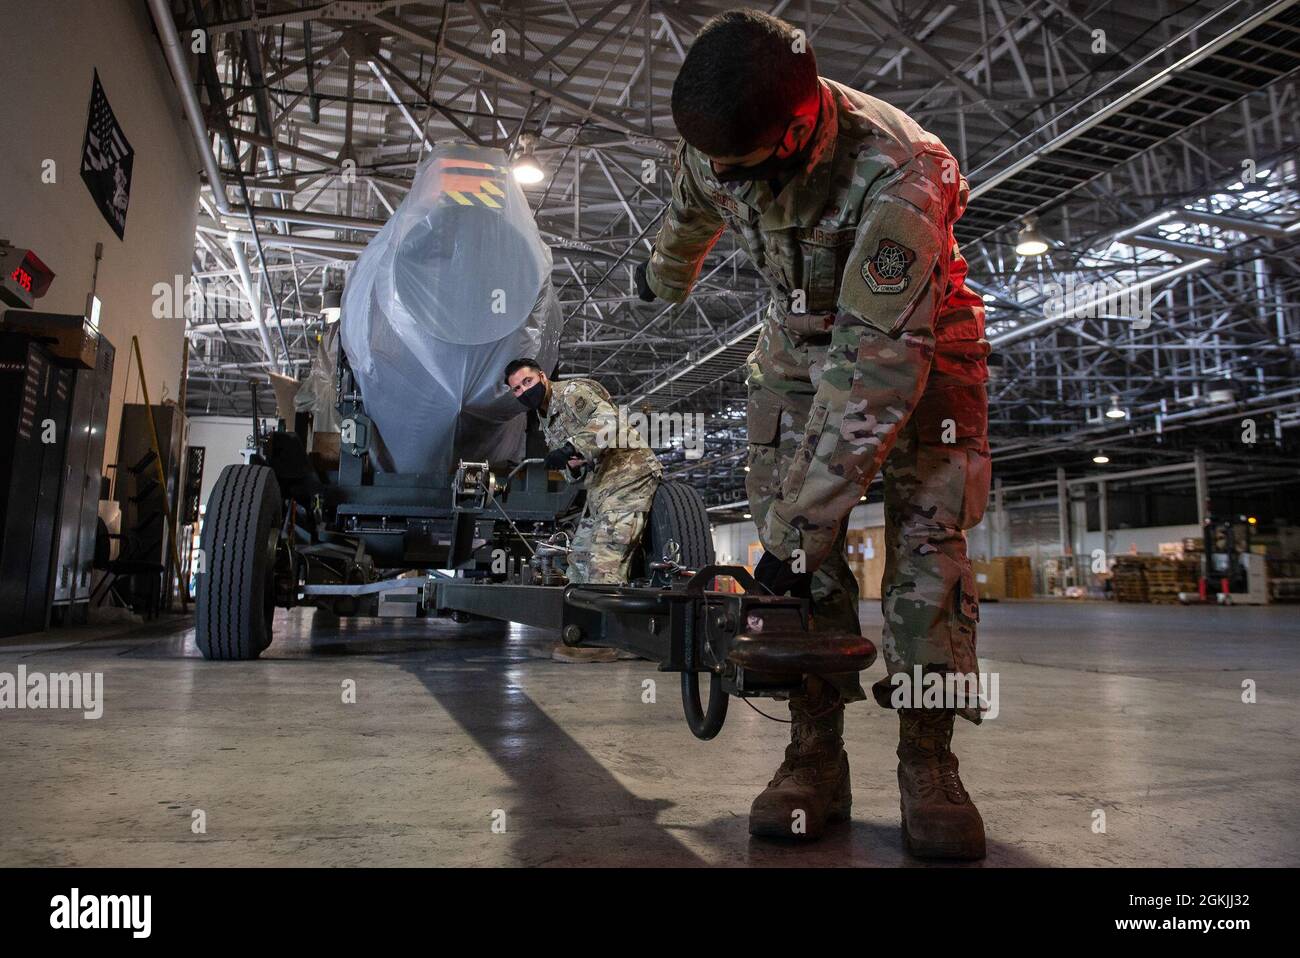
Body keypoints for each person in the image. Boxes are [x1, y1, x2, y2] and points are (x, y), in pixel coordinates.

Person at [636, 9, 991, 859]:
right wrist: (665, 277)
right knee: (802, 554)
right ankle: (814, 756)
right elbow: (692, 208)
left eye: (746, 170)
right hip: (797, 346)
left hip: (920, 347)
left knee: (927, 544)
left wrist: (789, 544)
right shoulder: (719, 146)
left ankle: (928, 758)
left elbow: (874, 369)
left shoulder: (901, 175)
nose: (731, 180)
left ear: (798, 129)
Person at [504, 359, 663, 663]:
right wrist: (571, 464)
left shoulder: (571, 393)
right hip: (601, 487)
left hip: (629, 475)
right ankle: (583, 633)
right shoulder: (544, 418)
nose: (523, 391)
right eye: (516, 389)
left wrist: (572, 448)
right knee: (577, 559)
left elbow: (610, 421)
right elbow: (574, 472)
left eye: (526, 382)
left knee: (604, 556)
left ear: (541, 376)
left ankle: (607, 640)